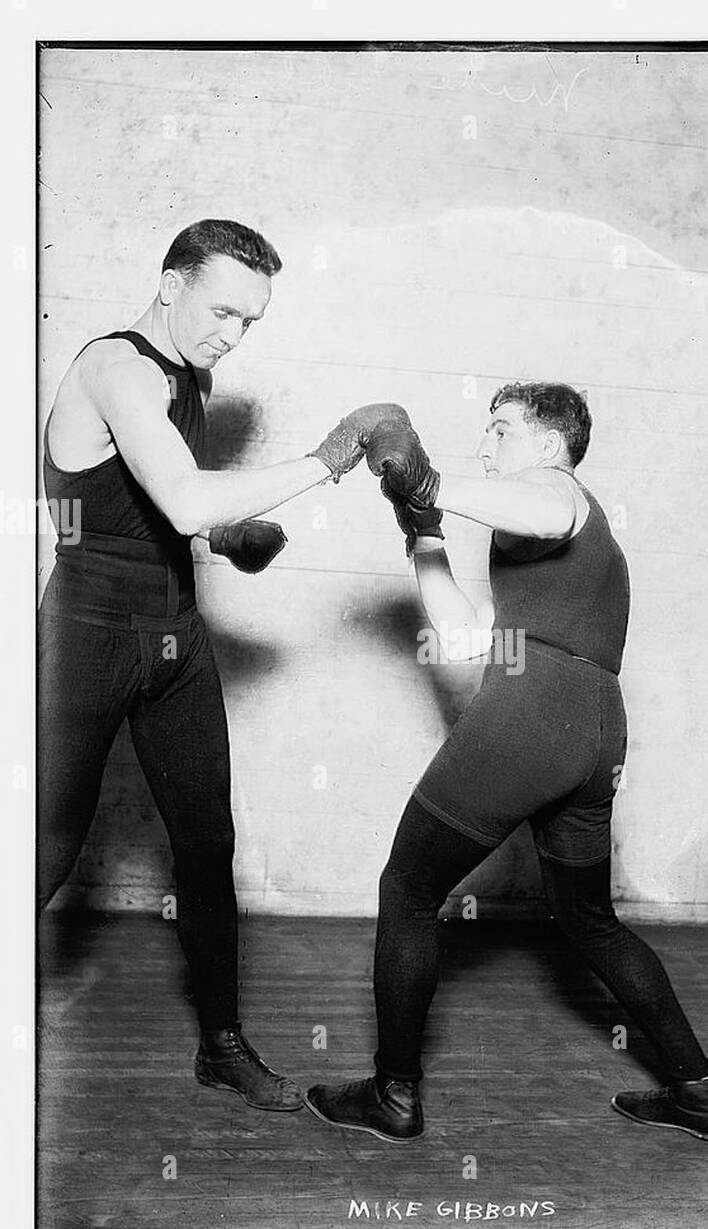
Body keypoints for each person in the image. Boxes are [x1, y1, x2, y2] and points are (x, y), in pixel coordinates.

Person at [304, 382, 708, 1143]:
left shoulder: (555, 490)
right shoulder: (537, 544)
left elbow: (545, 508)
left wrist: (433, 483)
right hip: (595, 731)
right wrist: (423, 533)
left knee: (407, 890)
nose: (487, 445)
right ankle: (698, 1091)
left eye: (501, 430)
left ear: (547, 443)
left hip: (530, 717)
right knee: (589, 918)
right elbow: (467, 635)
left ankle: (394, 1094)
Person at [39, 217, 407, 1110]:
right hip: (86, 638)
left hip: (175, 641)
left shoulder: (186, 375)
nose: (229, 336)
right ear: (171, 283)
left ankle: (222, 1046)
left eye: (250, 322)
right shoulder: (117, 368)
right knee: (45, 849)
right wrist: (326, 460)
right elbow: (184, 492)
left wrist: (228, 532)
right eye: (220, 310)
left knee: (208, 845)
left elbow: (163, 500)